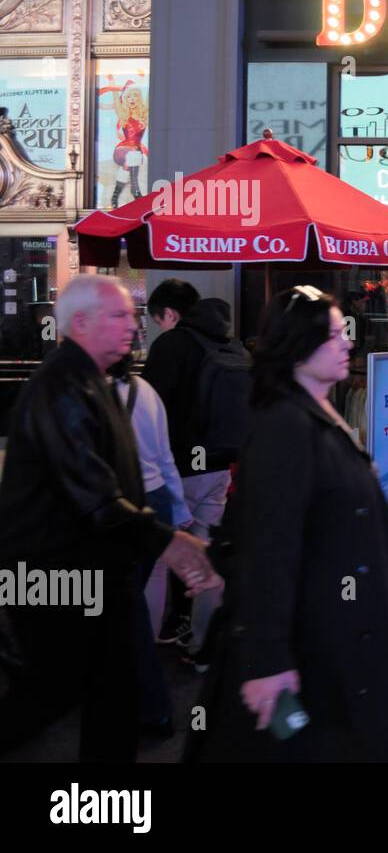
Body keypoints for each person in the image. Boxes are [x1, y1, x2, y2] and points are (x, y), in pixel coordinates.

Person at [187, 286, 388, 761]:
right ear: (298, 344)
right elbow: (270, 546)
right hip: (321, 641)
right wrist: (268, 657)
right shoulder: (286, 427)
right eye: (333, 335)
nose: (347, 342)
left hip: (348, 633)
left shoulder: (318, 415)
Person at [0, 274, 218, 761]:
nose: (132, 326)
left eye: (133, 315)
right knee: (51, 694)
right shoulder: (59, 389)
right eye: (118, 316)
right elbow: (93, 496)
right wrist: (170, 540)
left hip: (99, 570)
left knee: (111, 694)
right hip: (57, 577)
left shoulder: (99, 381)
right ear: (80, 323)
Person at [142, 279, 246, 662]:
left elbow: (149, 412)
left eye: (159, 319)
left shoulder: (170, 346)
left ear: (170, 313)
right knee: (206, 555)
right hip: (219, 466)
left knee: (156, 557)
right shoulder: (229, 344)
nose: (161, 327)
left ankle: (148, 646)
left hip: (177, 469)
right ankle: (203, 645)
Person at [108, 351, 194, 740]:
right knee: (147, 581)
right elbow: (165, 456)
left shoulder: (87, 393)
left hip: (119, 501)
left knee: (122, 602)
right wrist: (177, 506)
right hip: (156, 496)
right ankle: (150, 652)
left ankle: (146, 696)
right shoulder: (145, 390)